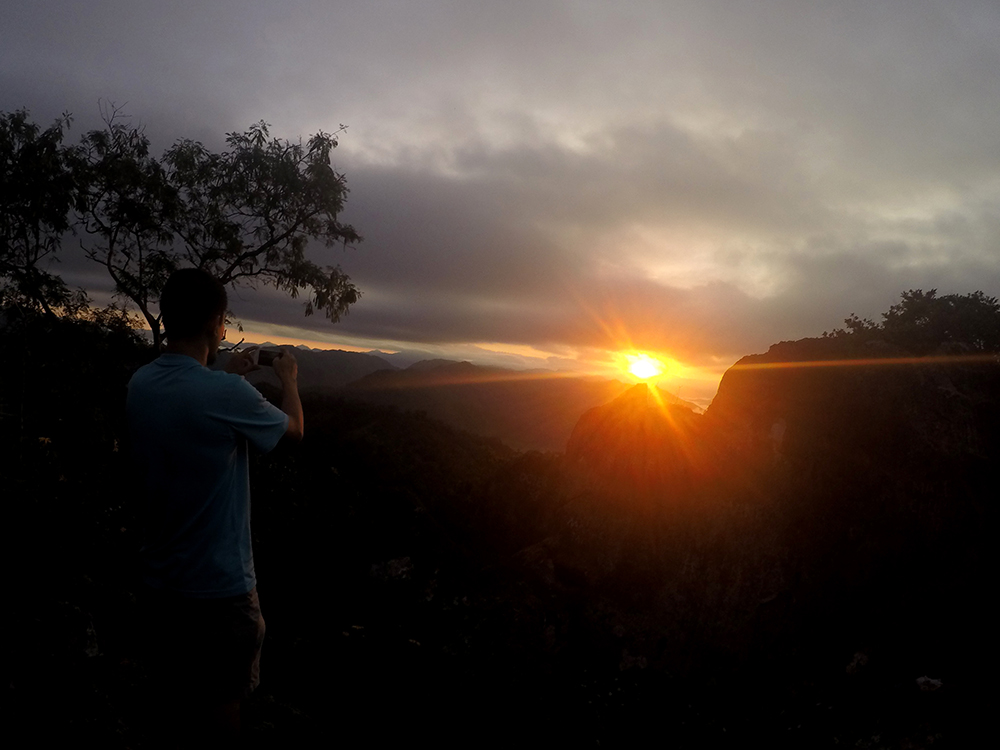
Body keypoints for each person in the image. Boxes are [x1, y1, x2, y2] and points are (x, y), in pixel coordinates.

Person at [126, 268, 303, 745]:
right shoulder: (225, 394)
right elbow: (293, 432)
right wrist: (287, 379)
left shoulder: (141, 383)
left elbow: (191, 404)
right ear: (216, 323)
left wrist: (227, 374)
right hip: (218, 592)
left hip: (160, 582)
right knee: (220, 716)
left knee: (173, 706)